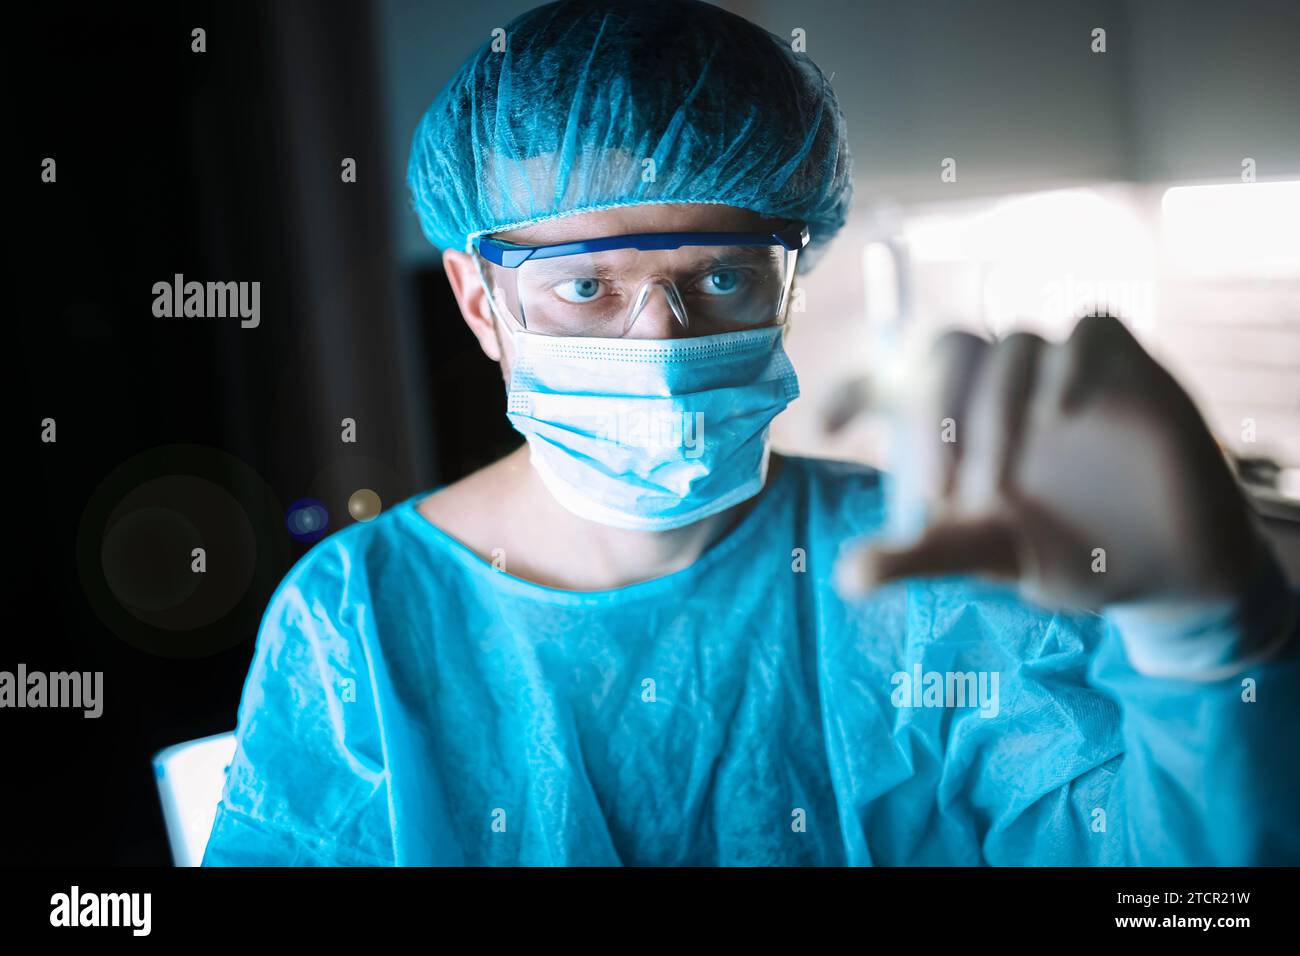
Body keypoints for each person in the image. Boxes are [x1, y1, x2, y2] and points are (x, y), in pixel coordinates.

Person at [201, 0, 1299, 866]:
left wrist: (1202, 639)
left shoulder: (933, 577)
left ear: (787, 284)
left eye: (720, 276)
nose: (660, 338)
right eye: (585, 285)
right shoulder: (359, 626)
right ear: (480, 301)